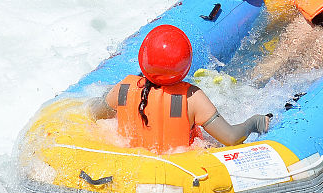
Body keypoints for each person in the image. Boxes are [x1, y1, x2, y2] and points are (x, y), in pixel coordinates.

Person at [89, 24, 271, 152]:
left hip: (133, 167)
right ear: (184, 65)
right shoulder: (192, 97)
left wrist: (102, 97)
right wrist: (254, 123)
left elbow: (95, 114)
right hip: (178, 171)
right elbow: (231, 138)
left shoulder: (124, 89)